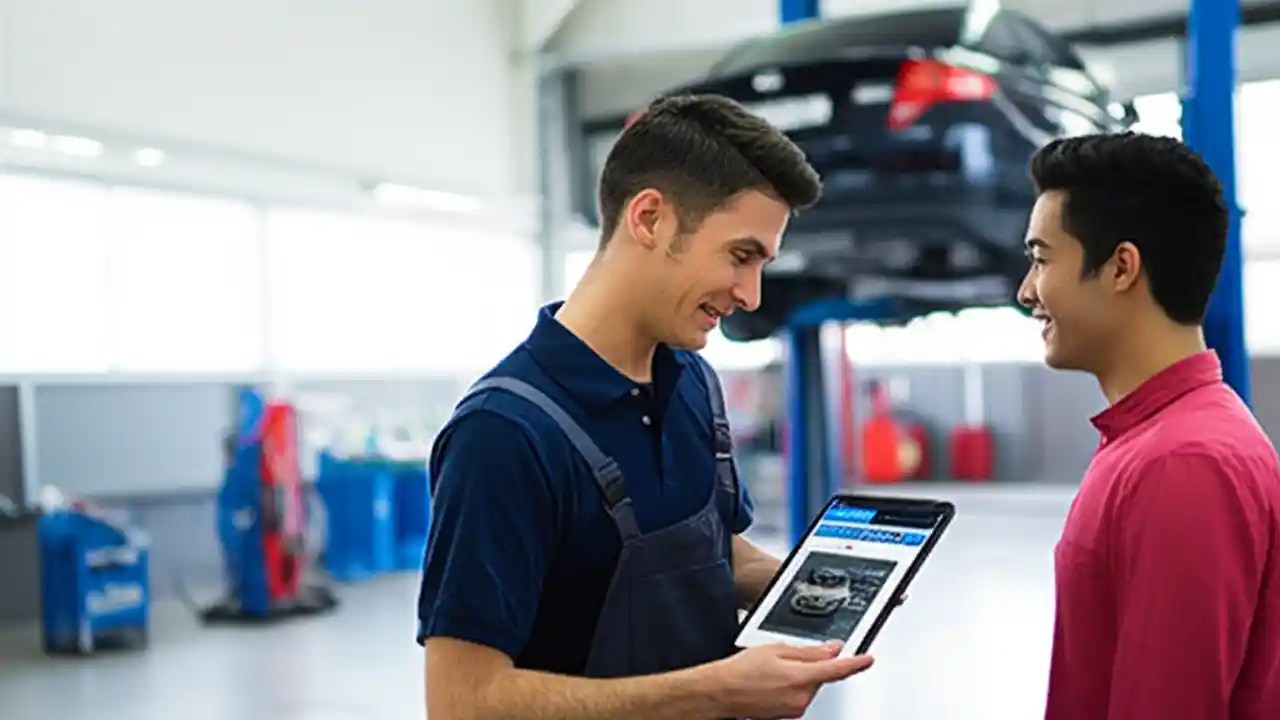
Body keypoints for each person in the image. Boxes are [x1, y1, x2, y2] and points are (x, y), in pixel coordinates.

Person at [416, 93, 875, 720]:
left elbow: (716, 550)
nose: (750, 294)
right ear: (650, 218)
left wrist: (832, 589)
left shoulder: (693, 383)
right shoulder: (504, 434)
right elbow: (463, 702)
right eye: (741, 256)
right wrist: (716, 689)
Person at [1017, 131, 1280, 719]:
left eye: (1040, 259)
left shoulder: (1184, 464)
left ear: (1121, 267)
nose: (1026, 291)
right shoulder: (1150, 440)